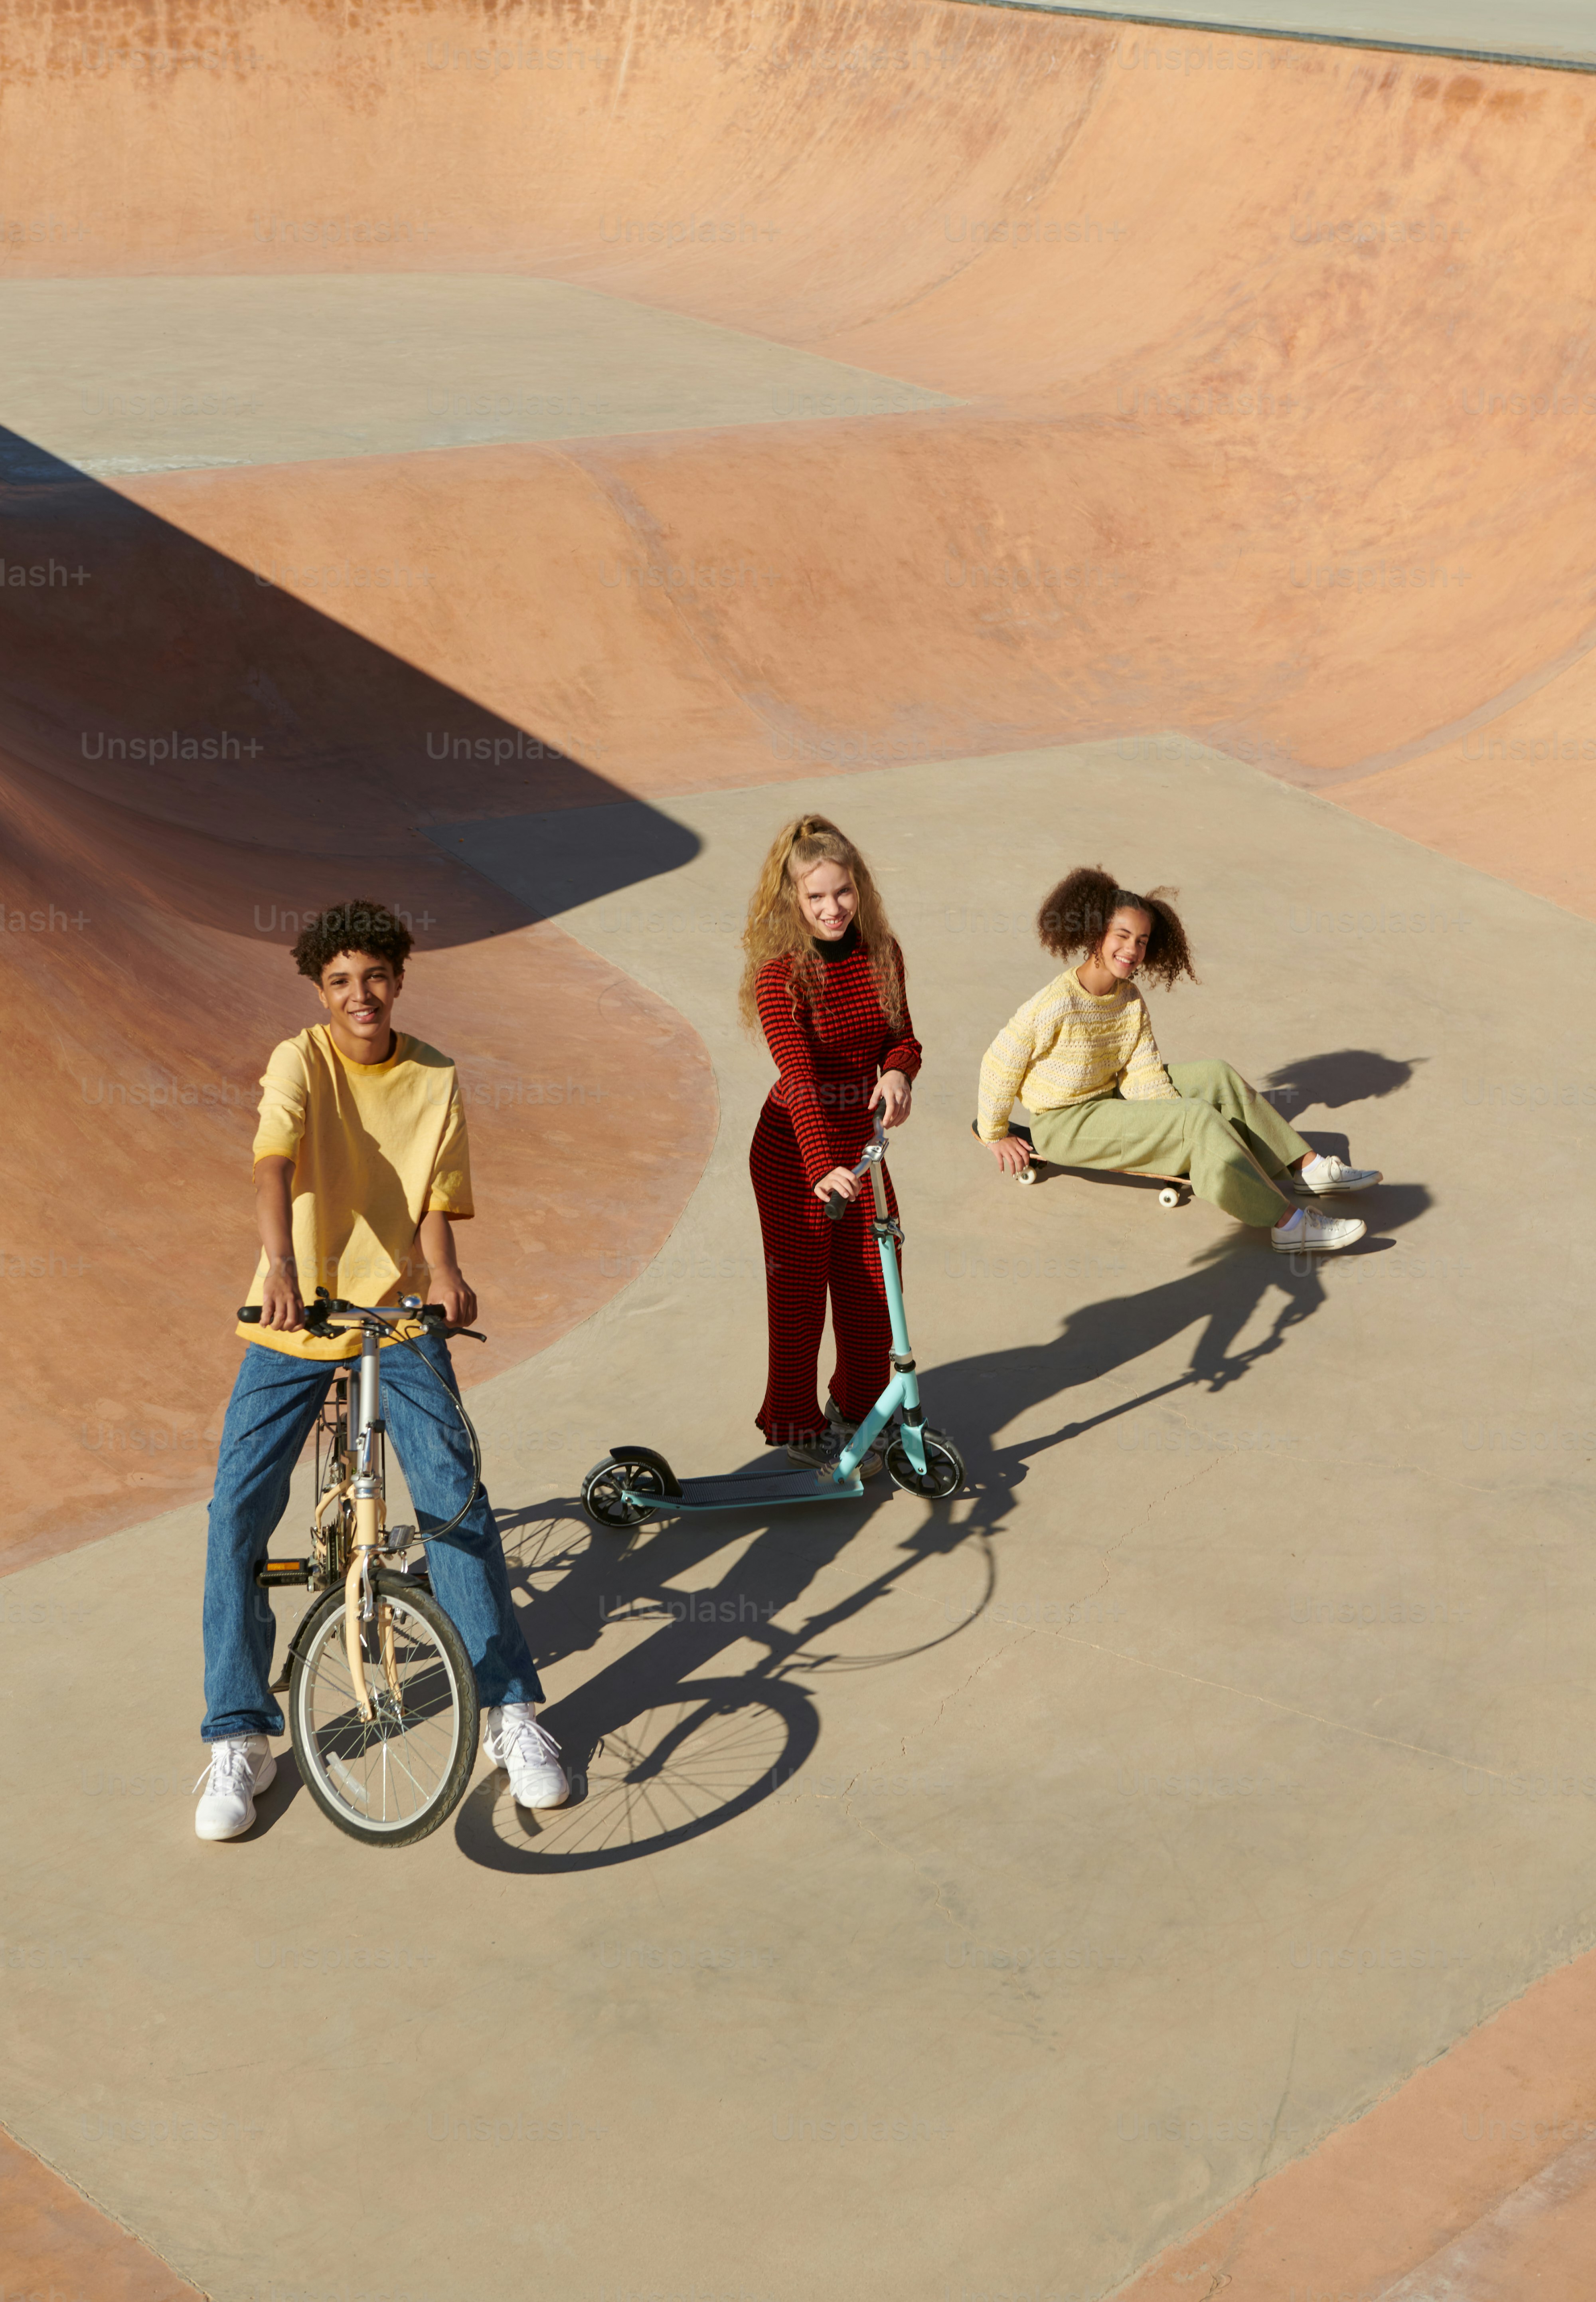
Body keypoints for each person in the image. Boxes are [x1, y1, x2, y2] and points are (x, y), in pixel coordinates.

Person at [194, 898, 566, 1841]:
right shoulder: (300, 1061)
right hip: (296, 1313)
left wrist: (445, 1275)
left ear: (398, 979)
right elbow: (273, 1165)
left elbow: (433, 1195)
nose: (359, 994)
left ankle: (510, 1711)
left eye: (374, 977)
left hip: (396, 1316)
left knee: (453, 1500)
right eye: (340, 982)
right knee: (237, 1506)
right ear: (320, 992)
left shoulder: (435, 1075)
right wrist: (282, 1270)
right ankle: (239, 1735)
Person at [974, 866, 1380, 1252]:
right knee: (1196, 1120)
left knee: (1215, 1075)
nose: (1132, 949)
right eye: (1122, 935)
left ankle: (1306, 1168)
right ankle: (1289, 1225)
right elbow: (999, 1063)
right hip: (1065, 1123)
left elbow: (1143, 1071)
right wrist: (995, 1134)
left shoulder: (1128, 998)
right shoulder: (1055, 1003)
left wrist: (1169, 1117)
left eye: (1142, 941)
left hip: (1110, 1098)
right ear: (1096, 932)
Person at [742, 817, 922, 1475]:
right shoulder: (780, 975)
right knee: (799, 1302)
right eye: (815, 896)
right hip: (794, 1155)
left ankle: (857, 1408)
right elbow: (799, 1079)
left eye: (842, 891)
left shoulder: (881, 952)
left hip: (862, 1152)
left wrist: (898, 1072)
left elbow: (903, 1037)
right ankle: (795, 1425)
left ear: (859, 886)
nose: (832, 908)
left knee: (876, 1291)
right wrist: (822, 1167)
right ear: (791, 898)